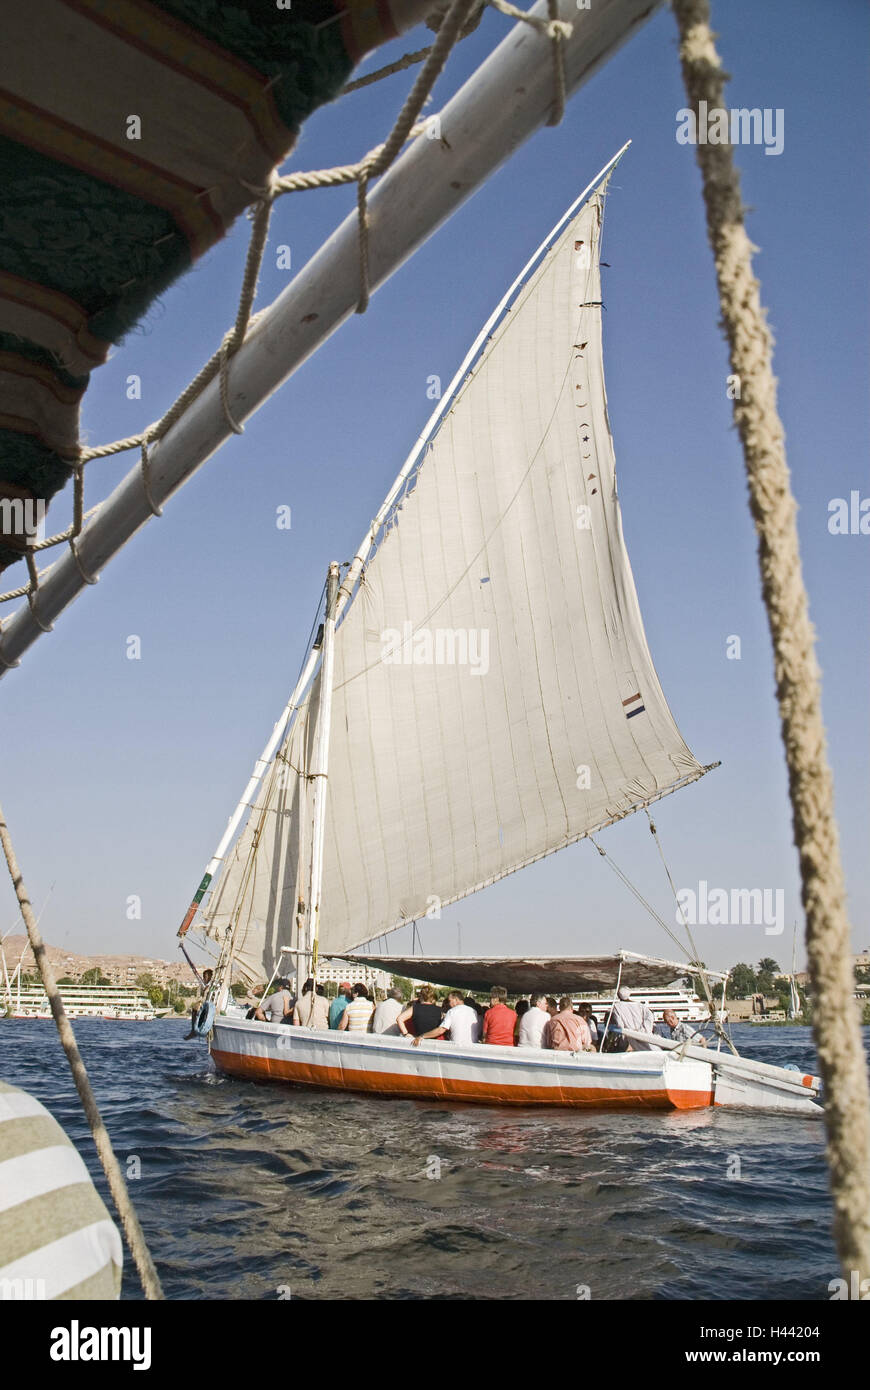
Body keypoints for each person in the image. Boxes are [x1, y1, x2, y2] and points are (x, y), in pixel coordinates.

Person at [412, 989, 479, 1046]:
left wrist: (422, 1036)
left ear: (455, 999)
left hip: (457, 1047)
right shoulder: (473, 1011)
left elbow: (440, 1030)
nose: (449, 1004)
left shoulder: (452, 1011)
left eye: (450, 1001)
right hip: (472, 1046)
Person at [609, 986, 655, 1051]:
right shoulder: (640, 1005)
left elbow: (620, 1025)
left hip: (629, 1038)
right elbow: (650, 1017)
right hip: (644, 1036)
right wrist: (643, 1030)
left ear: (618, 995)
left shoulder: (617, 1007)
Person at [184, 967, 214, 1038]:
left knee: (195, 1008)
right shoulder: (206, 985)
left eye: (205, 977)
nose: (204, 979)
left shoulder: (212, 985)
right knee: (195, 1007)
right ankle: (194, 1029)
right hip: (206, 1004)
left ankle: (193, 1030)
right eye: (203, 977)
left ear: (209, 977)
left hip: (210, 1006)